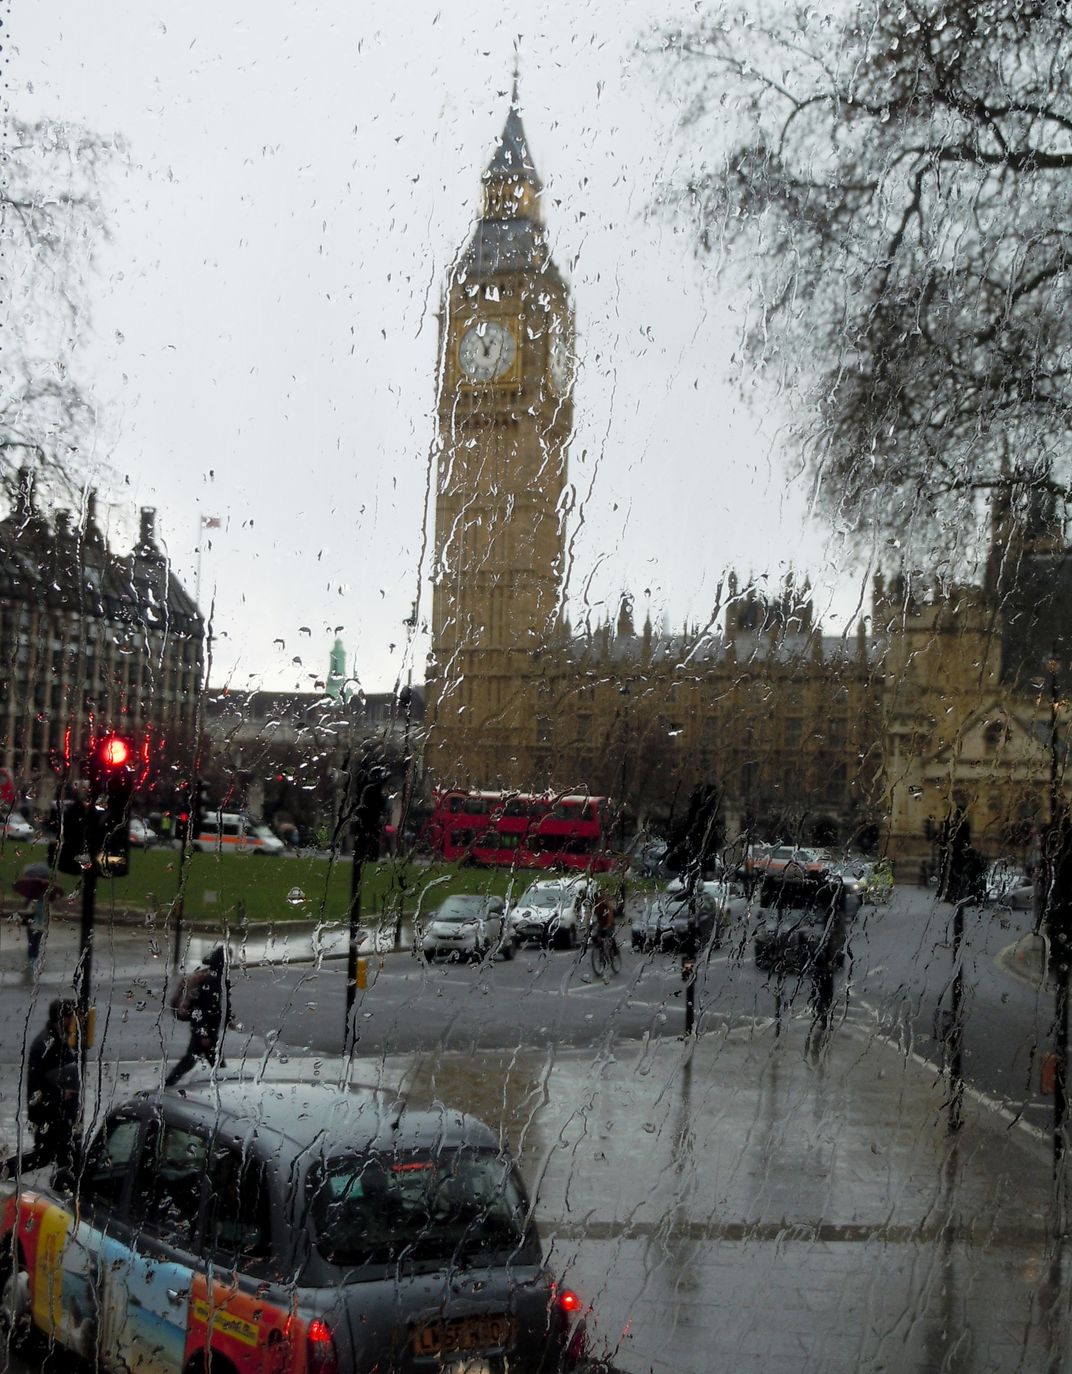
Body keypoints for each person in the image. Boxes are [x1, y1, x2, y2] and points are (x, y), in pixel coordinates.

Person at [21, 999, 81, 1173]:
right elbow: (36, 1083)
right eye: (72, 1016)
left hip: (60, 1114)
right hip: (49, 1113)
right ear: (64, 1018)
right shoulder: (45, 1044)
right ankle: (7, 1170)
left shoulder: (60, 1039)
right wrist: (60, 1094)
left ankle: (64, 1183)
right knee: (48, 1155)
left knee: (60, 1156)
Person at [166, 945, 234, 1086]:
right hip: (205, 1028)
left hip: (206, 1029)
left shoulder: (214, 977)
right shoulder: (212, 980)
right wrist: (204, 1034)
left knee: (198, 1059)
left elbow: (222, 1003)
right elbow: (205, 1008)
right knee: (198, 1059)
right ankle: (169, 1083)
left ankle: (169, 1082)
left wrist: (229, 1019)